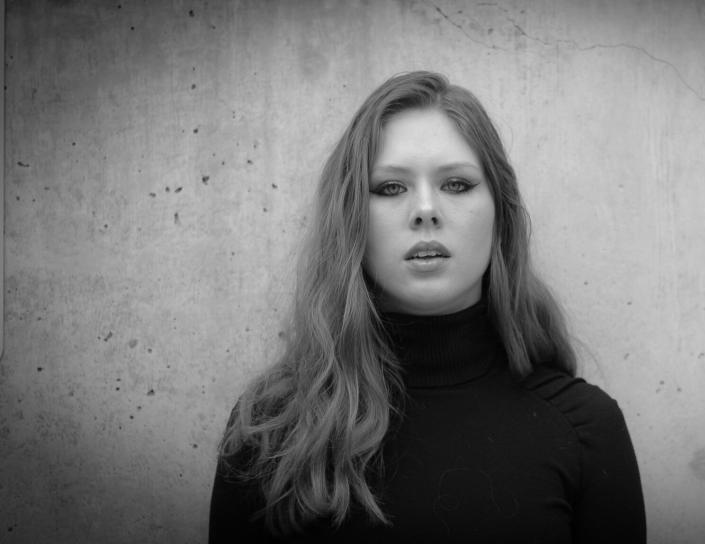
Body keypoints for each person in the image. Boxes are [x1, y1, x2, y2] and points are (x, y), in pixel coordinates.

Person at [208, 71, 646, 543]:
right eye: (391, 188)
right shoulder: (273, 428)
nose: (425, 210)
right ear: (350, 219)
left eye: (456, 184)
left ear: (501, 215)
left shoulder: (585, 428)